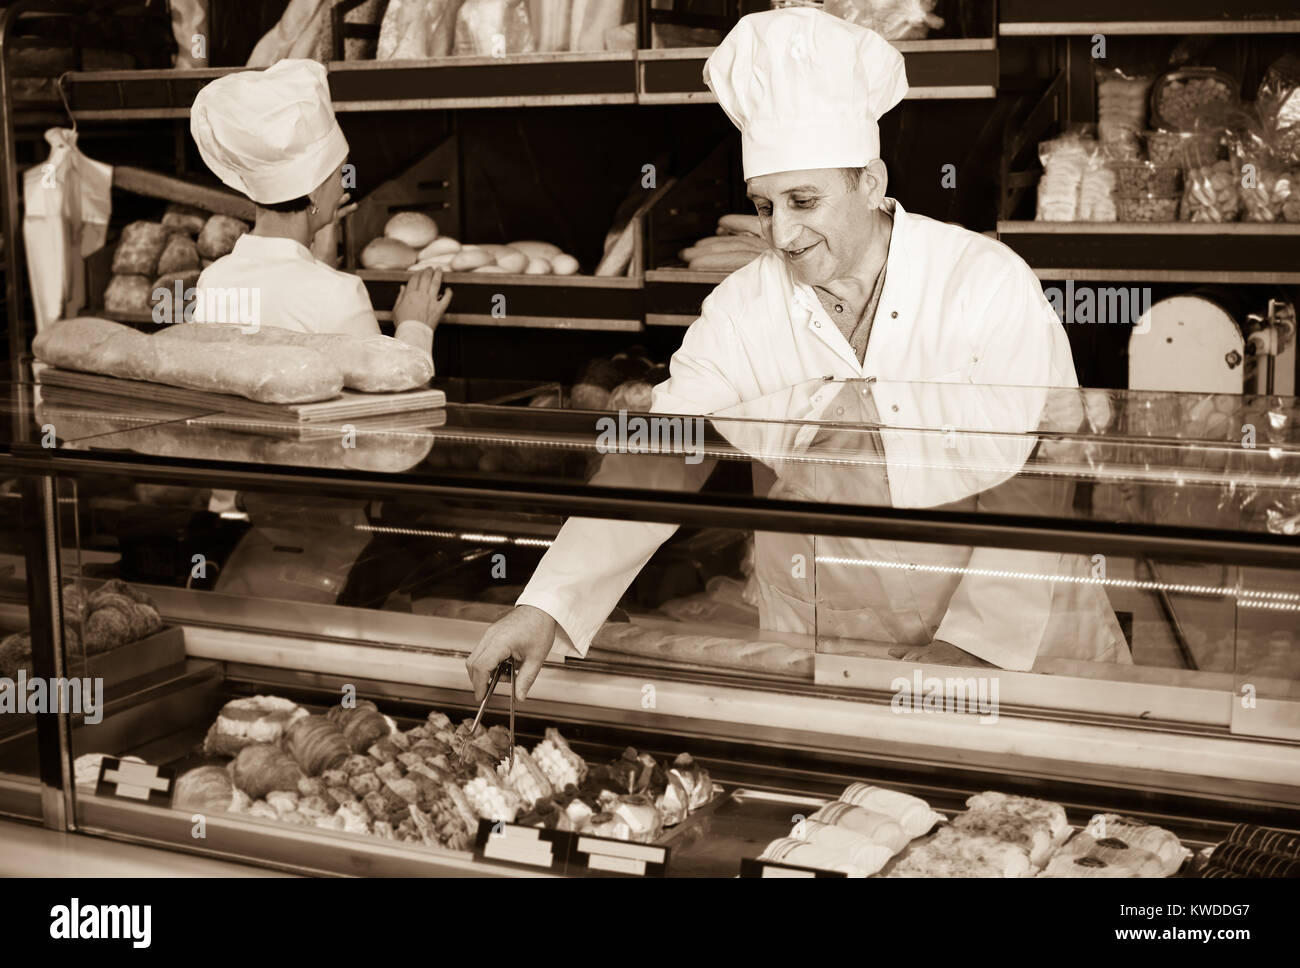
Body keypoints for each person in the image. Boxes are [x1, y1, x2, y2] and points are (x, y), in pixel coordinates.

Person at [468, 9, 1129, 701]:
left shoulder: (982, 282)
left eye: (803, 200)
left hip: (1005, 647)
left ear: (870, 182)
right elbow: (660, 458)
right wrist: (546, 604)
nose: (781, 232)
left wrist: (973, 648)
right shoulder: (743, 307)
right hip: (826, 641)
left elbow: (1037, 472)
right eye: (763, 204)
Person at [189, 59, 449, 354]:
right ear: (313, 192)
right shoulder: (340, 295)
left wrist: (318, 243)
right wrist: (415, 326)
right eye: (341, 173)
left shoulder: (214, 279)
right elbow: (396, 389)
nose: (345, 185)